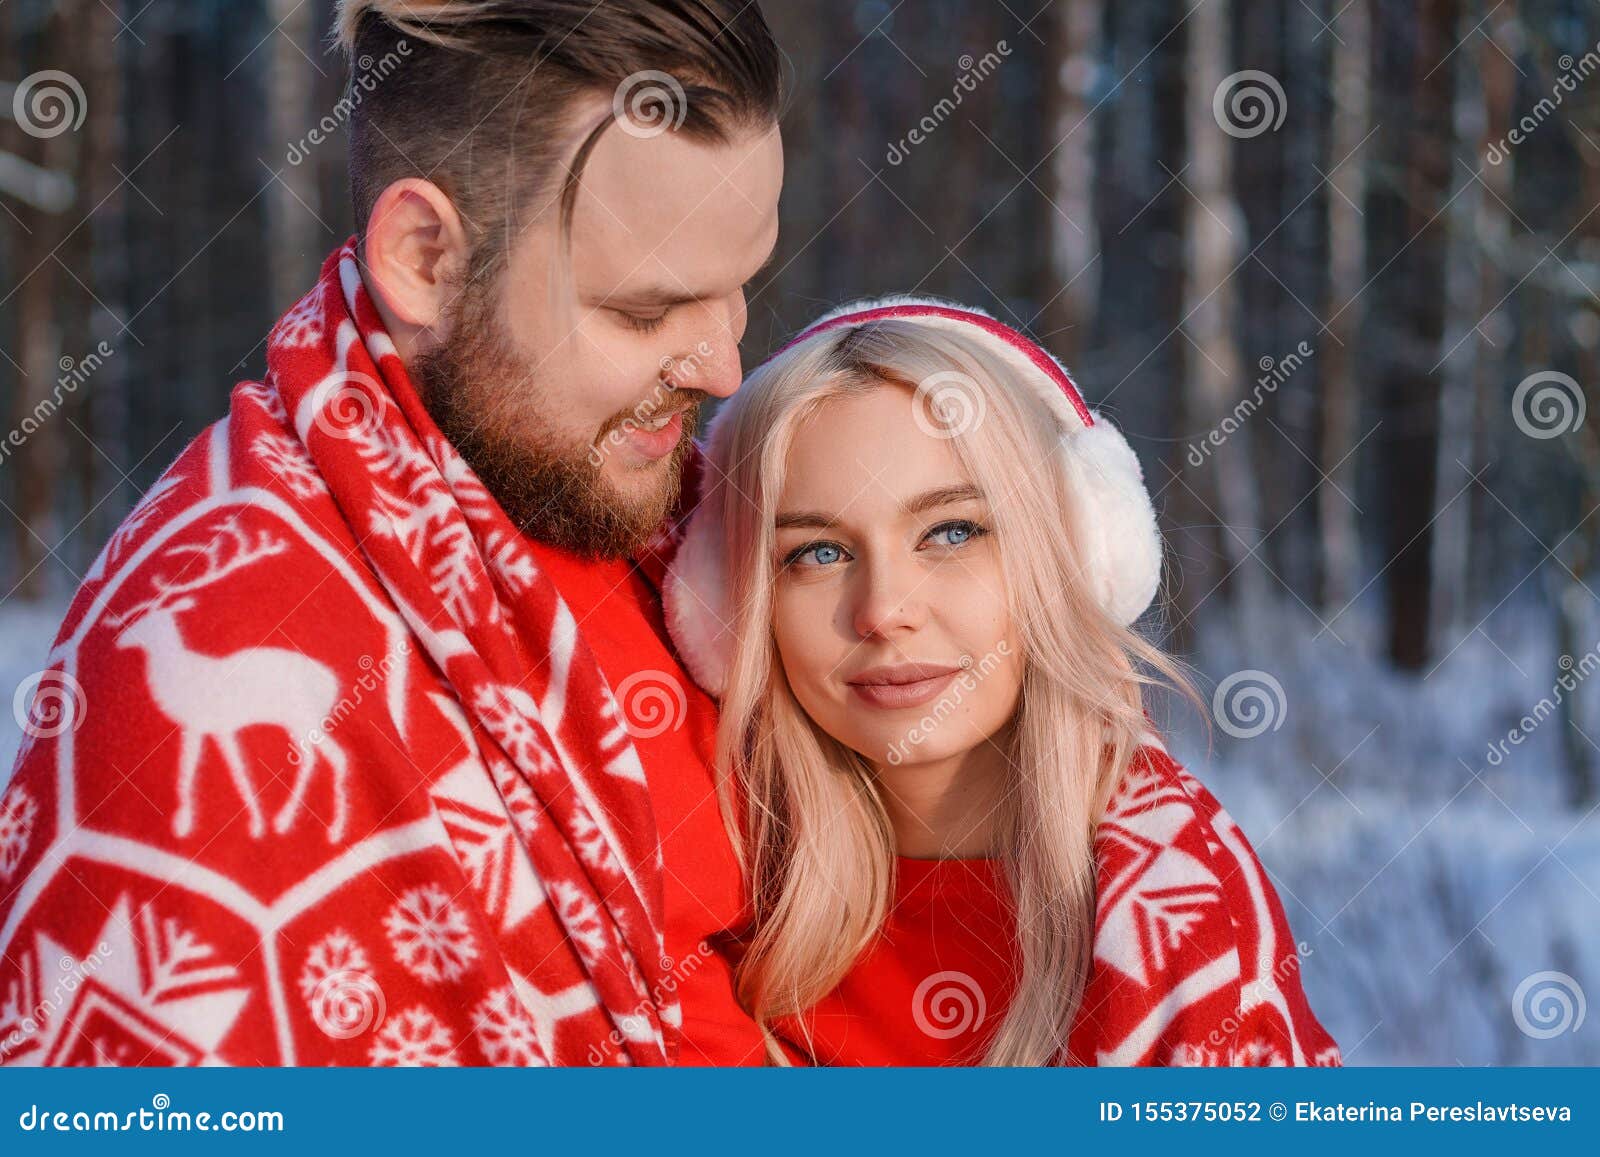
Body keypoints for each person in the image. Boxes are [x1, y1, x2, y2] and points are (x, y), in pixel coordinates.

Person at [0, 0, 783, 1067]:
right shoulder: (219, 631)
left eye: (740, 290)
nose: (724, 367)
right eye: (646, 313)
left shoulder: (697, 527)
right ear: (424, 257)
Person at [662, 296, 1345, 1065]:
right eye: (817, 552)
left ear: (1072, 554)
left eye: (953, 531)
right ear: (732, 613)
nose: (884, 611)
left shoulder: (1182, 913)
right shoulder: (707, 886)